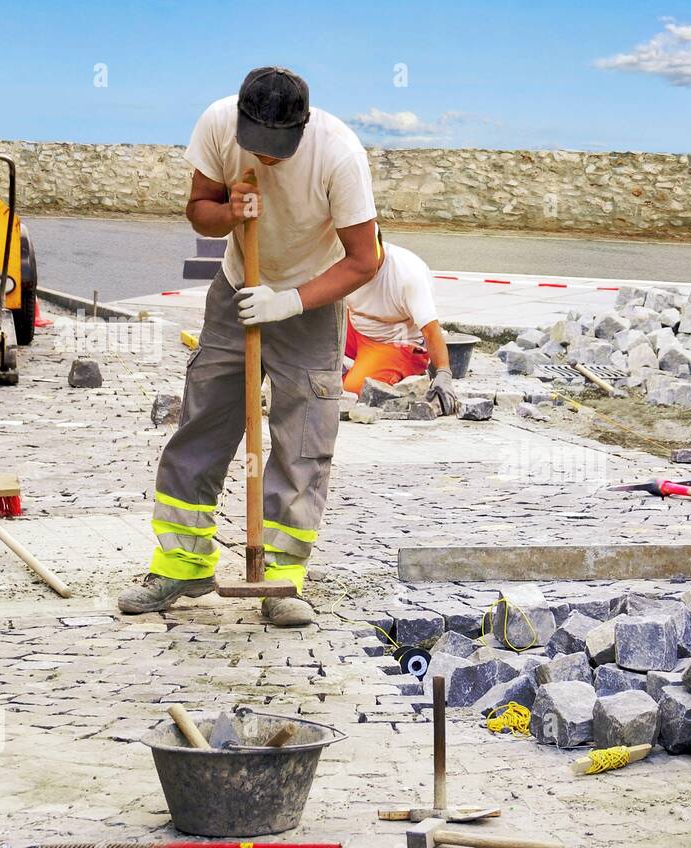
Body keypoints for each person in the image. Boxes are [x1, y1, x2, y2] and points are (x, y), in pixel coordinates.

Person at [118, 67, 379, 627]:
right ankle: (182, 565)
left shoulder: (339, 155)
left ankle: (282, 580)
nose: (267, 159)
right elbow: (199, 210)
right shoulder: (216, 124)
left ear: (302, 129)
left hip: (310, 298)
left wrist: (290, 302)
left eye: (279, 150)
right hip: (238, 286)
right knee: (205, 417)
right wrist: (230, 212)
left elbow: (365, 260)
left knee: (303, 436)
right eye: (257, 147)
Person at [341, 227, 457, 413]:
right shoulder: (341, 260)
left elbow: (431, 330)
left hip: (394, 341)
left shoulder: (408, 274)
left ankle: (371, 371)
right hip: (355, 326)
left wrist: (443, 372)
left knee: (353, 389)